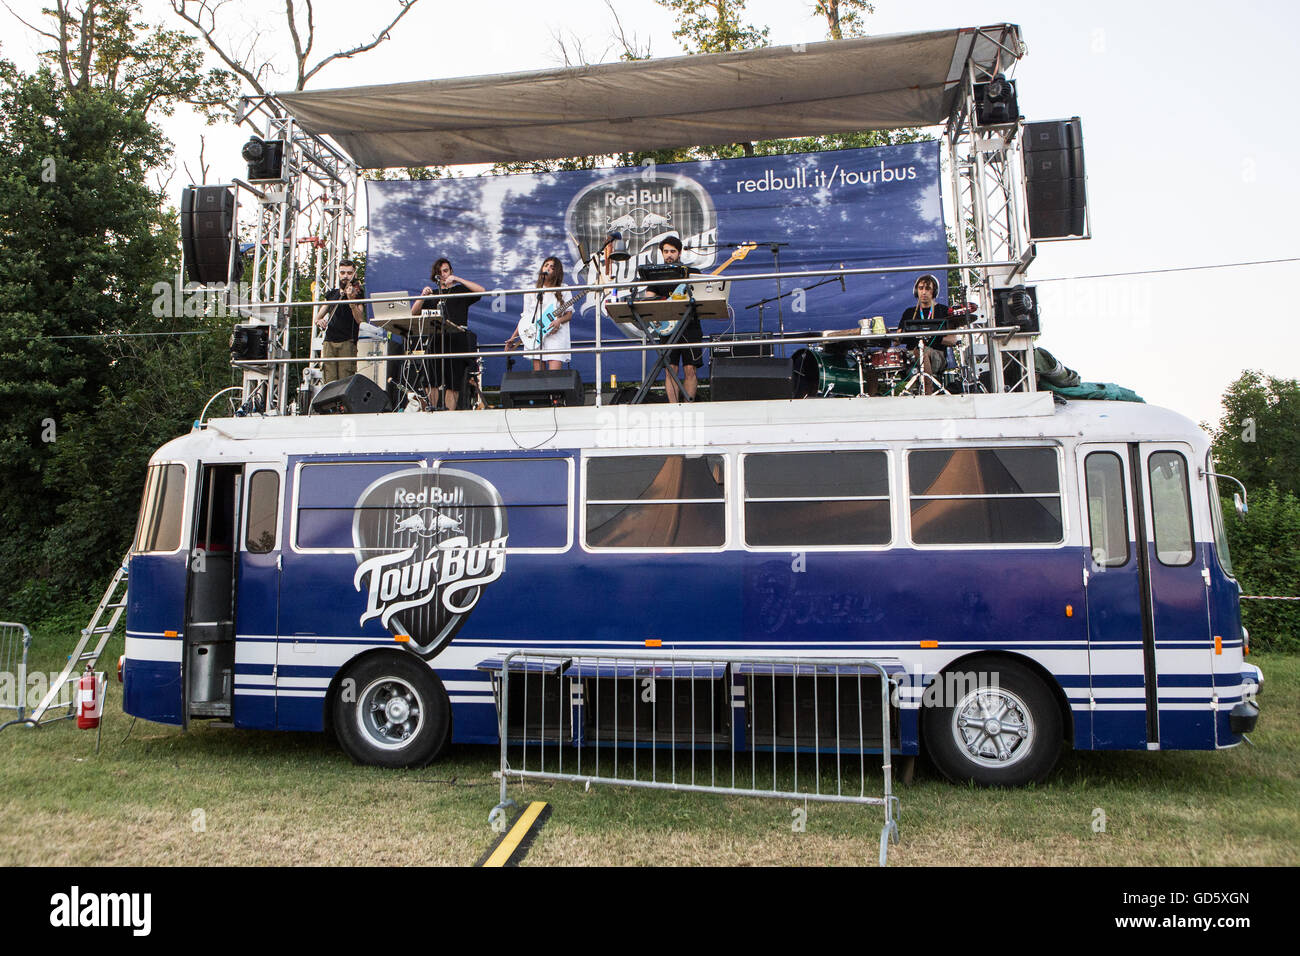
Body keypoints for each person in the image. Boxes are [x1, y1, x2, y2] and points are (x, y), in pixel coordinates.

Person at [411, 257, 485, 410]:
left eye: (446, 271)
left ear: (451, 271)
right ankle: (431, 411)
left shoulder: (460, 290)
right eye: (440, 273)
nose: (443, 275)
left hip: (457, 338)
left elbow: (481, 291)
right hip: (437, 338)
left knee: (453, 383)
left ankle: (449, 414)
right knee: (431, 380)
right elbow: (414, 312)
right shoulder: (433, 294)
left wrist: (458, 279)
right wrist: (422, 296)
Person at [641, 235, 702, 403]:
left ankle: (688, 407)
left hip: (690, 325)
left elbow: (702, 294)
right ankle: (674, 408)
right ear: (662, 253)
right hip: (667, 327)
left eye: (672, 251)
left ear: (679, 253)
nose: (669, 255)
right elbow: (648, 299)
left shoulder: (693, 273)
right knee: (670, 369)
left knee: (690, 369)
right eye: (666, 251)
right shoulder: (656, 276)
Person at [898, 273, 962, 395]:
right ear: (916, 291)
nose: (924, 292)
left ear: (934, 292)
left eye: (928, 289)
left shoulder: (944, 310)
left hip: (937, 356)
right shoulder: (909, 312)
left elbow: (952, 340)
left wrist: (932, 336)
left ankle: (928, 390)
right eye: (921, 288)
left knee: (922, 351)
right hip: (911, 355)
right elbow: (897, 338)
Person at [505, 256, 572, 370]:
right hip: (536, 334)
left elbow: (569, 314)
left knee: (555, 376)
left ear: (557, 271)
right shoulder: (532, 289)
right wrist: (513, 338)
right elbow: (525, 318)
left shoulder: (564, 288)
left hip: (555, 335)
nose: (548, 268)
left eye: (552, 267)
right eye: (546, 265)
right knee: (539, 376)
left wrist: (558, 321)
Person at [313, 259, 365, 384]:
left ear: (354, 275)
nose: (345, 276)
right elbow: (317, 317)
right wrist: (319, 321)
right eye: (342, 273)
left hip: (347, 341)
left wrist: (351, 300)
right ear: (338, 274)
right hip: (329, 341)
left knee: (345, 381)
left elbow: (360, 320)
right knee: (329, 381)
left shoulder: (358, 294)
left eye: (349, 273)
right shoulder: (332, 294)